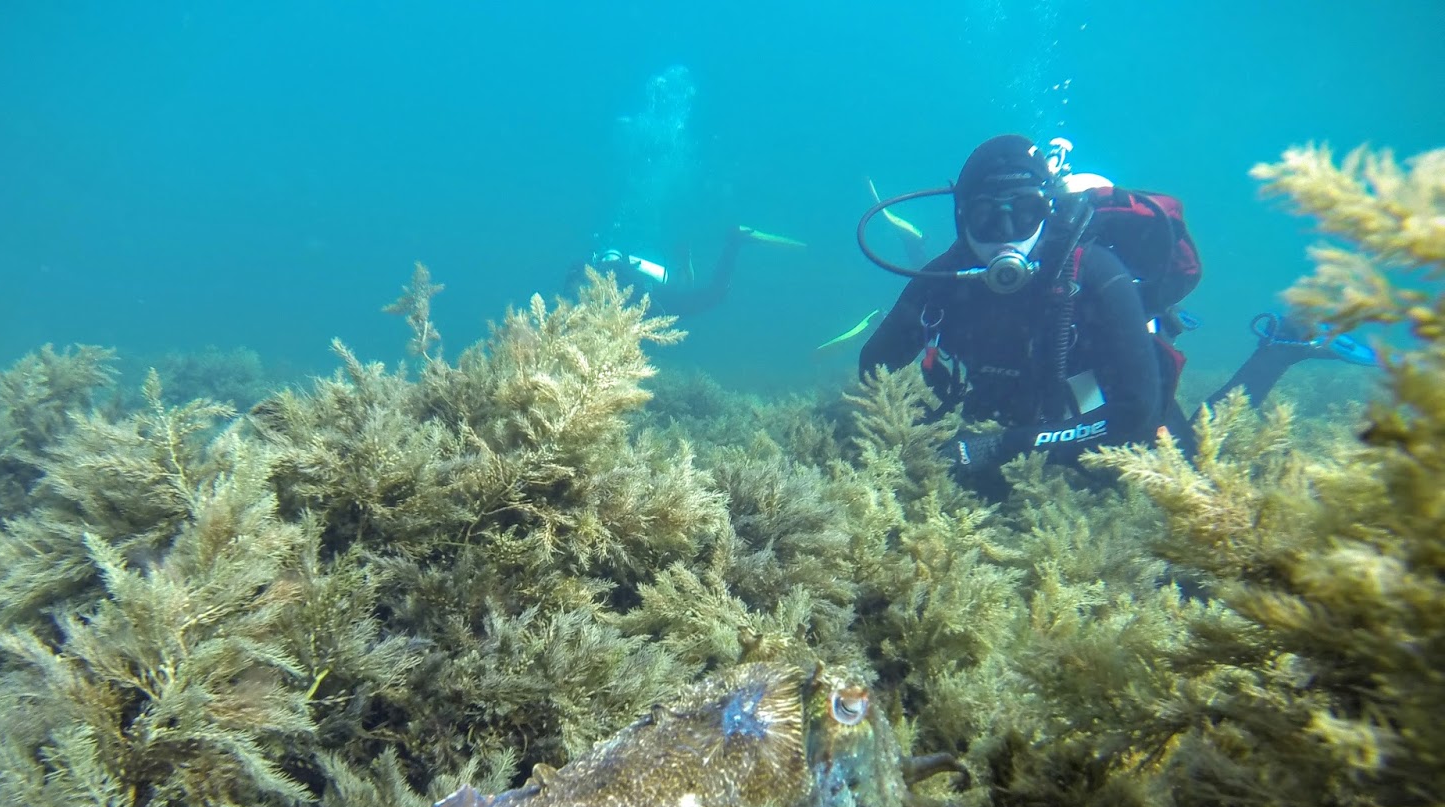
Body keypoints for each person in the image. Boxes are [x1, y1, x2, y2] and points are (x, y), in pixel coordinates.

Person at [858, 134, 1374, 482]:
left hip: (1107, 407)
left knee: (1189, 462)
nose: (1006, 238)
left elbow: (1135, 412)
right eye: (988, 218)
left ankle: (1279, 350)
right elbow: (873, 369)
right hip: (1030, 405)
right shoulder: (941, 280)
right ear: (961, 218)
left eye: (1027, 214)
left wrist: (999, 448)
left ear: (1048, 210)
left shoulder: (1095, 271)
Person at [570, 224, 803, 318]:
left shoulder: (608, 281)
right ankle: (732, 242)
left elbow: (662, 290)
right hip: (666, 298)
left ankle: (734, 241)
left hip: (668, 303)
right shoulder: (615, 274)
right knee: (711, 291)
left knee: (717, 292)